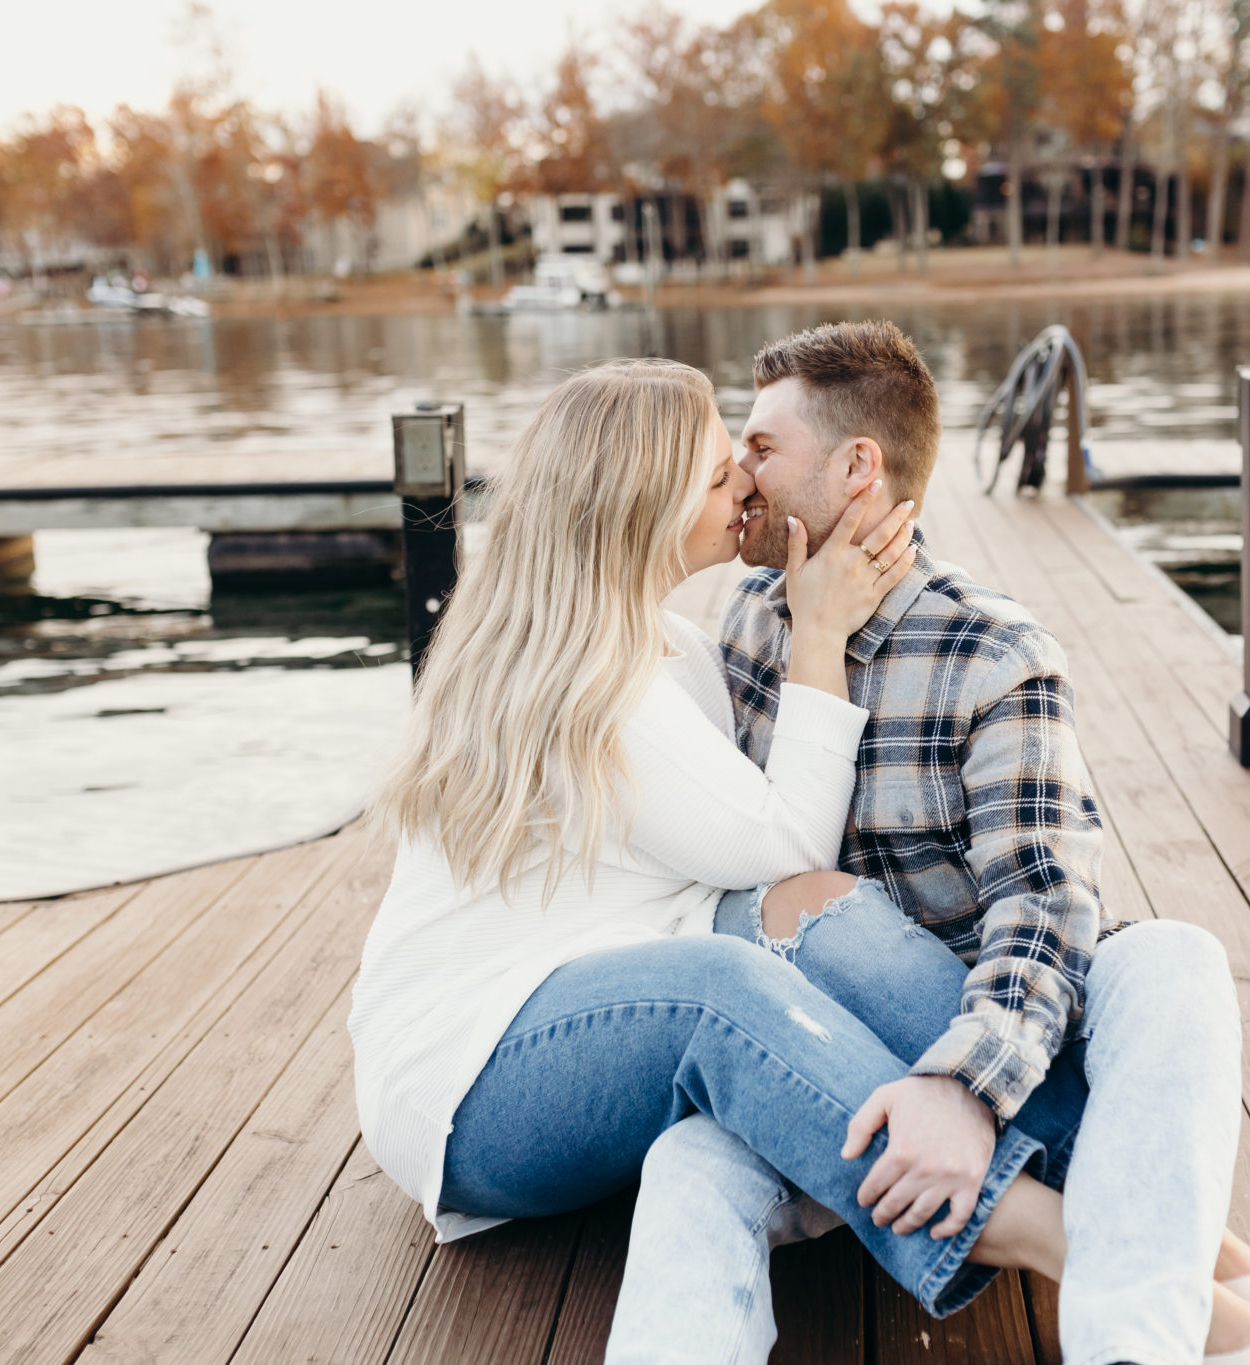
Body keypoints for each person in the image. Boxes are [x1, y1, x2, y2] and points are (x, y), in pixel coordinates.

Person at [605, 324, 1250, 1365]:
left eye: (759, 447)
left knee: (1167, 958)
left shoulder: (990, 649)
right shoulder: (738, 625)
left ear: (855, 467)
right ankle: (1222, 1289)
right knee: (689, 1162)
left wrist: (965, 1084)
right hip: (815, 1068)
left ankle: (1138, 1345)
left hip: (984, 1049)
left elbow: (1044, 901)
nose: (736, 474)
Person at [352, 357, 1068, 1323]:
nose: (744, 483)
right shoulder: (596, 682)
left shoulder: (674, 644)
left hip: (596, 1016)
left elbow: (773, 872)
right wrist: (819, 634)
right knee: (726, 983)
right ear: (636, 502)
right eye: (716, 471)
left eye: (745, 457)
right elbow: (781, 840)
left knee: (809, 914)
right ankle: (1063, 1233)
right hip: (471, 1089)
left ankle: (1088, 1145)